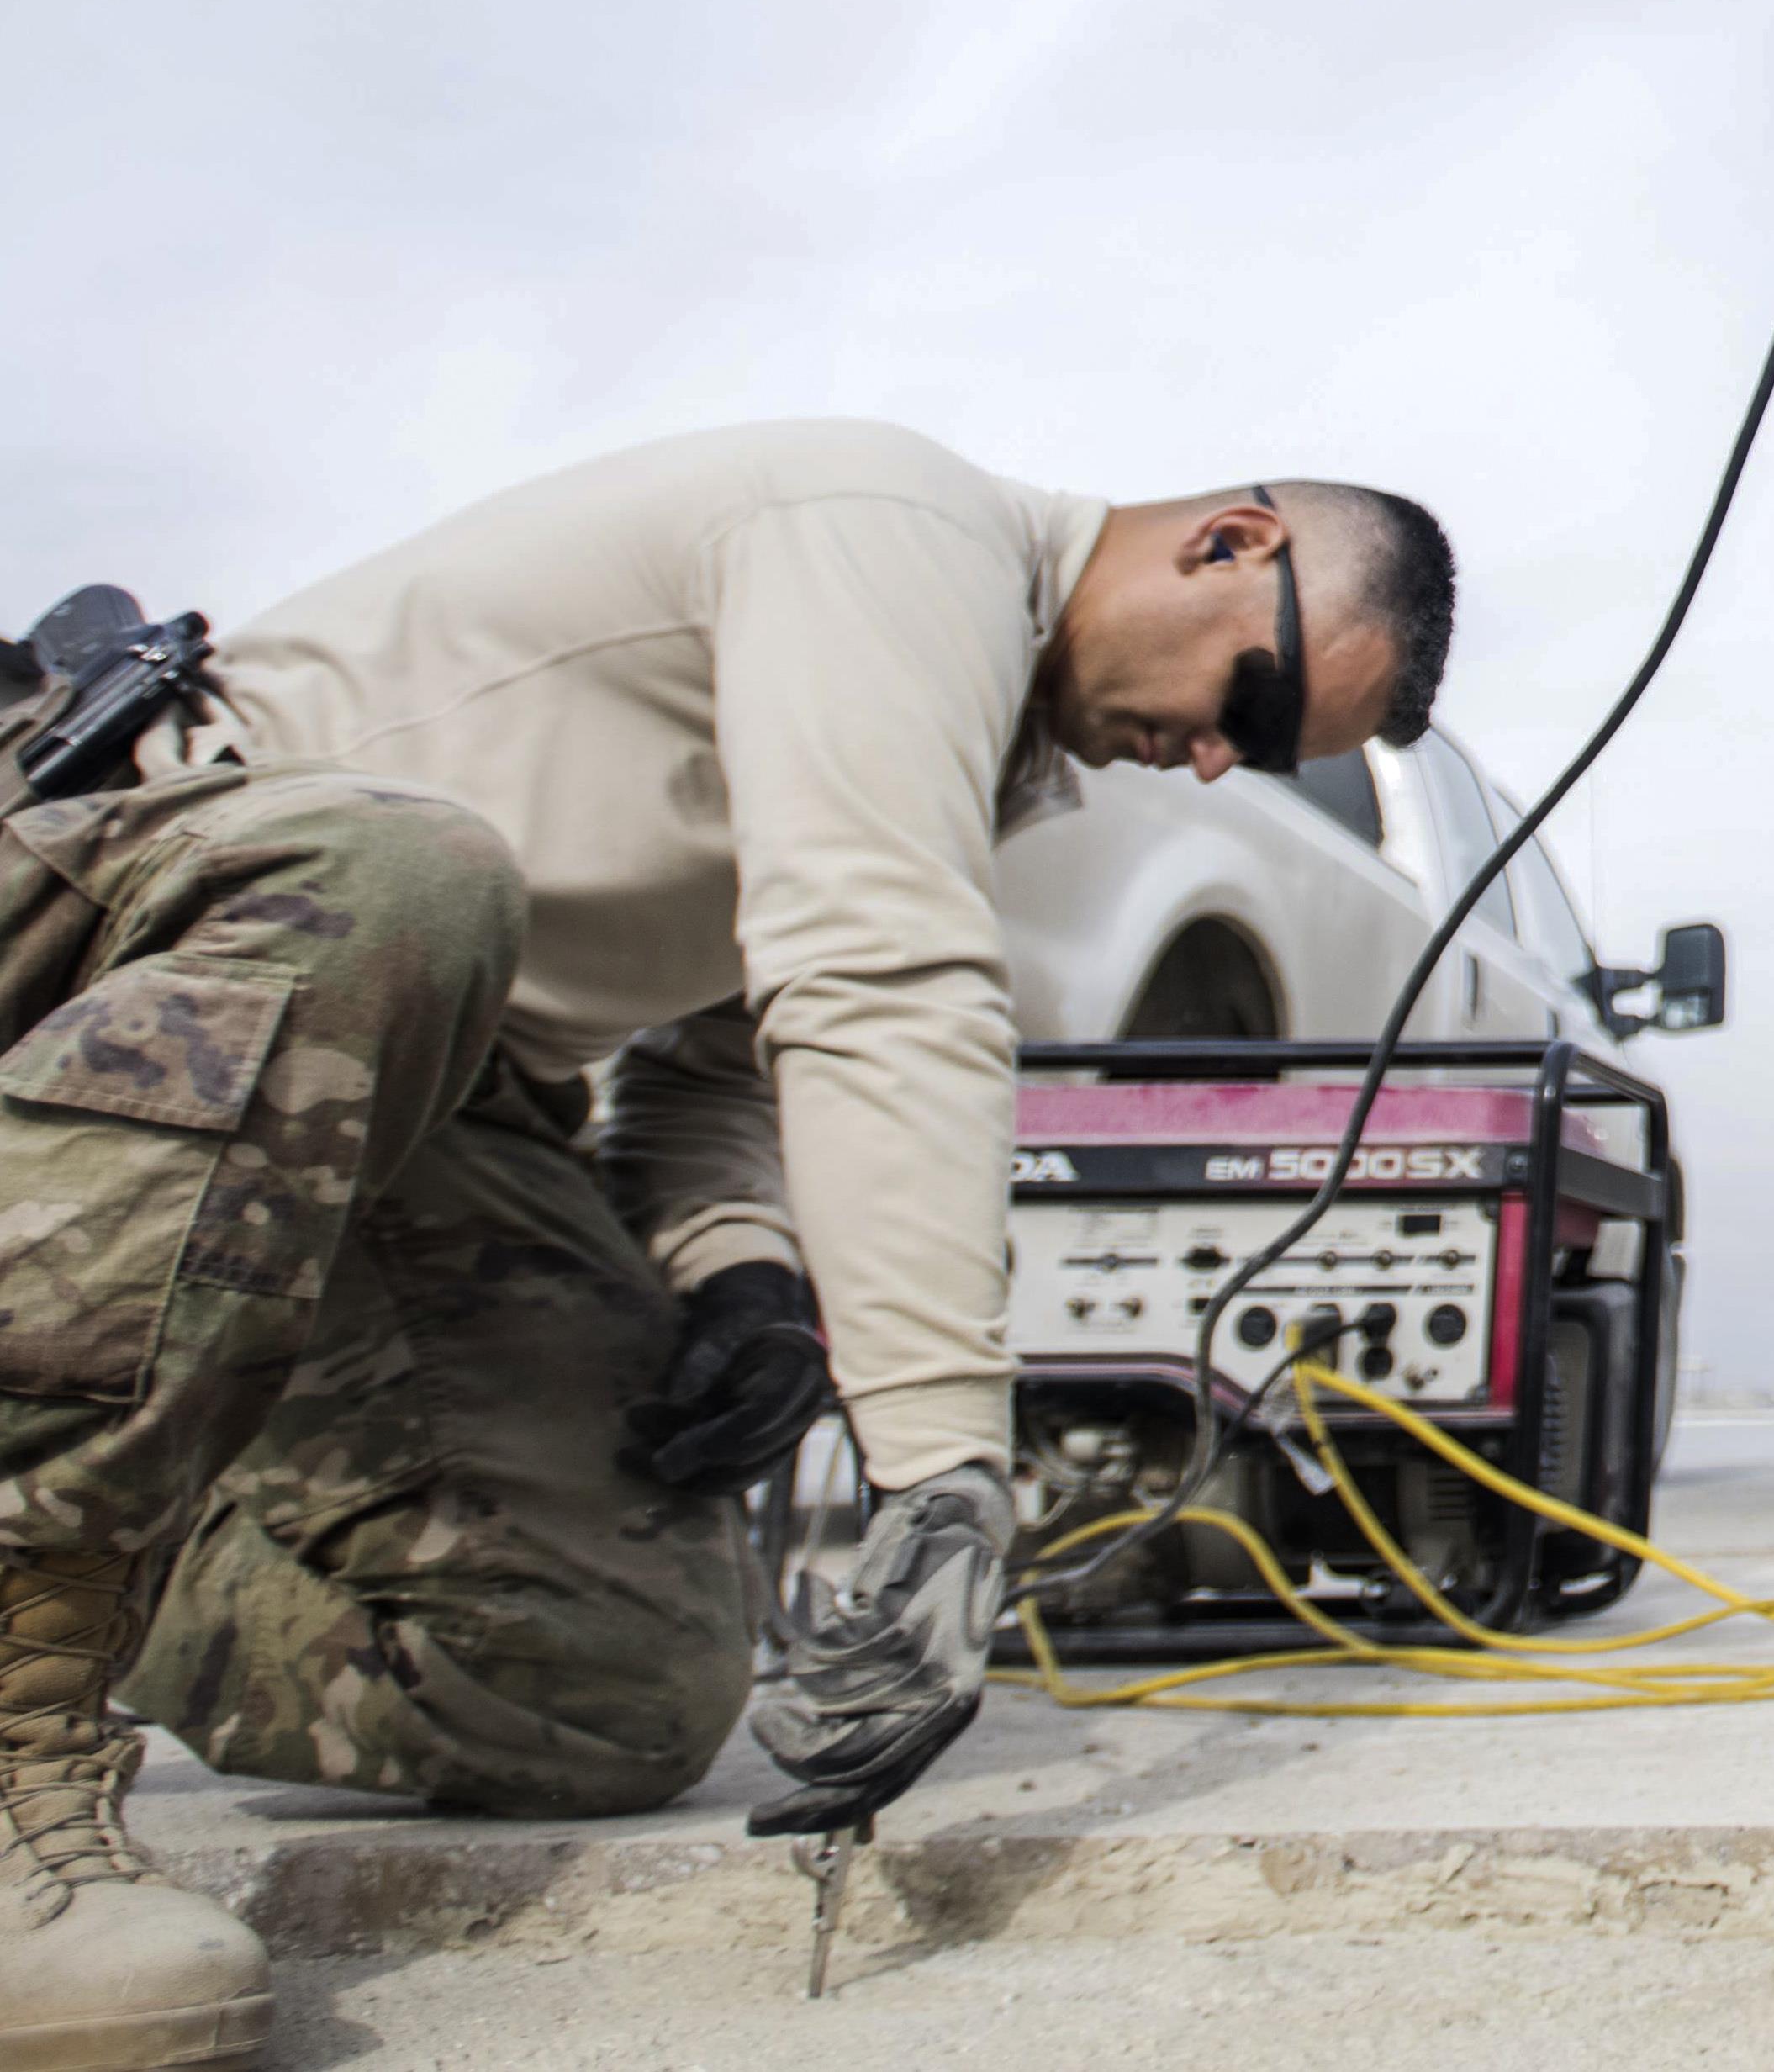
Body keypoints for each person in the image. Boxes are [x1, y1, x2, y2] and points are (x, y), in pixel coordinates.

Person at [0, 420, 1456, 2072]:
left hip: (422, 1097)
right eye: (1252, 709)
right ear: (1229, 541)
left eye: (1256, 762)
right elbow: (876, 970)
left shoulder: (996, 760)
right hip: (119, 918)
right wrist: (942, 1471)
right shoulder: (894, 528)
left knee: (604, 1680)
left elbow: (711, 1060)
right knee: (405, 871)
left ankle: (122, 1560)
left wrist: (744, 1270)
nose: (1211, 761)